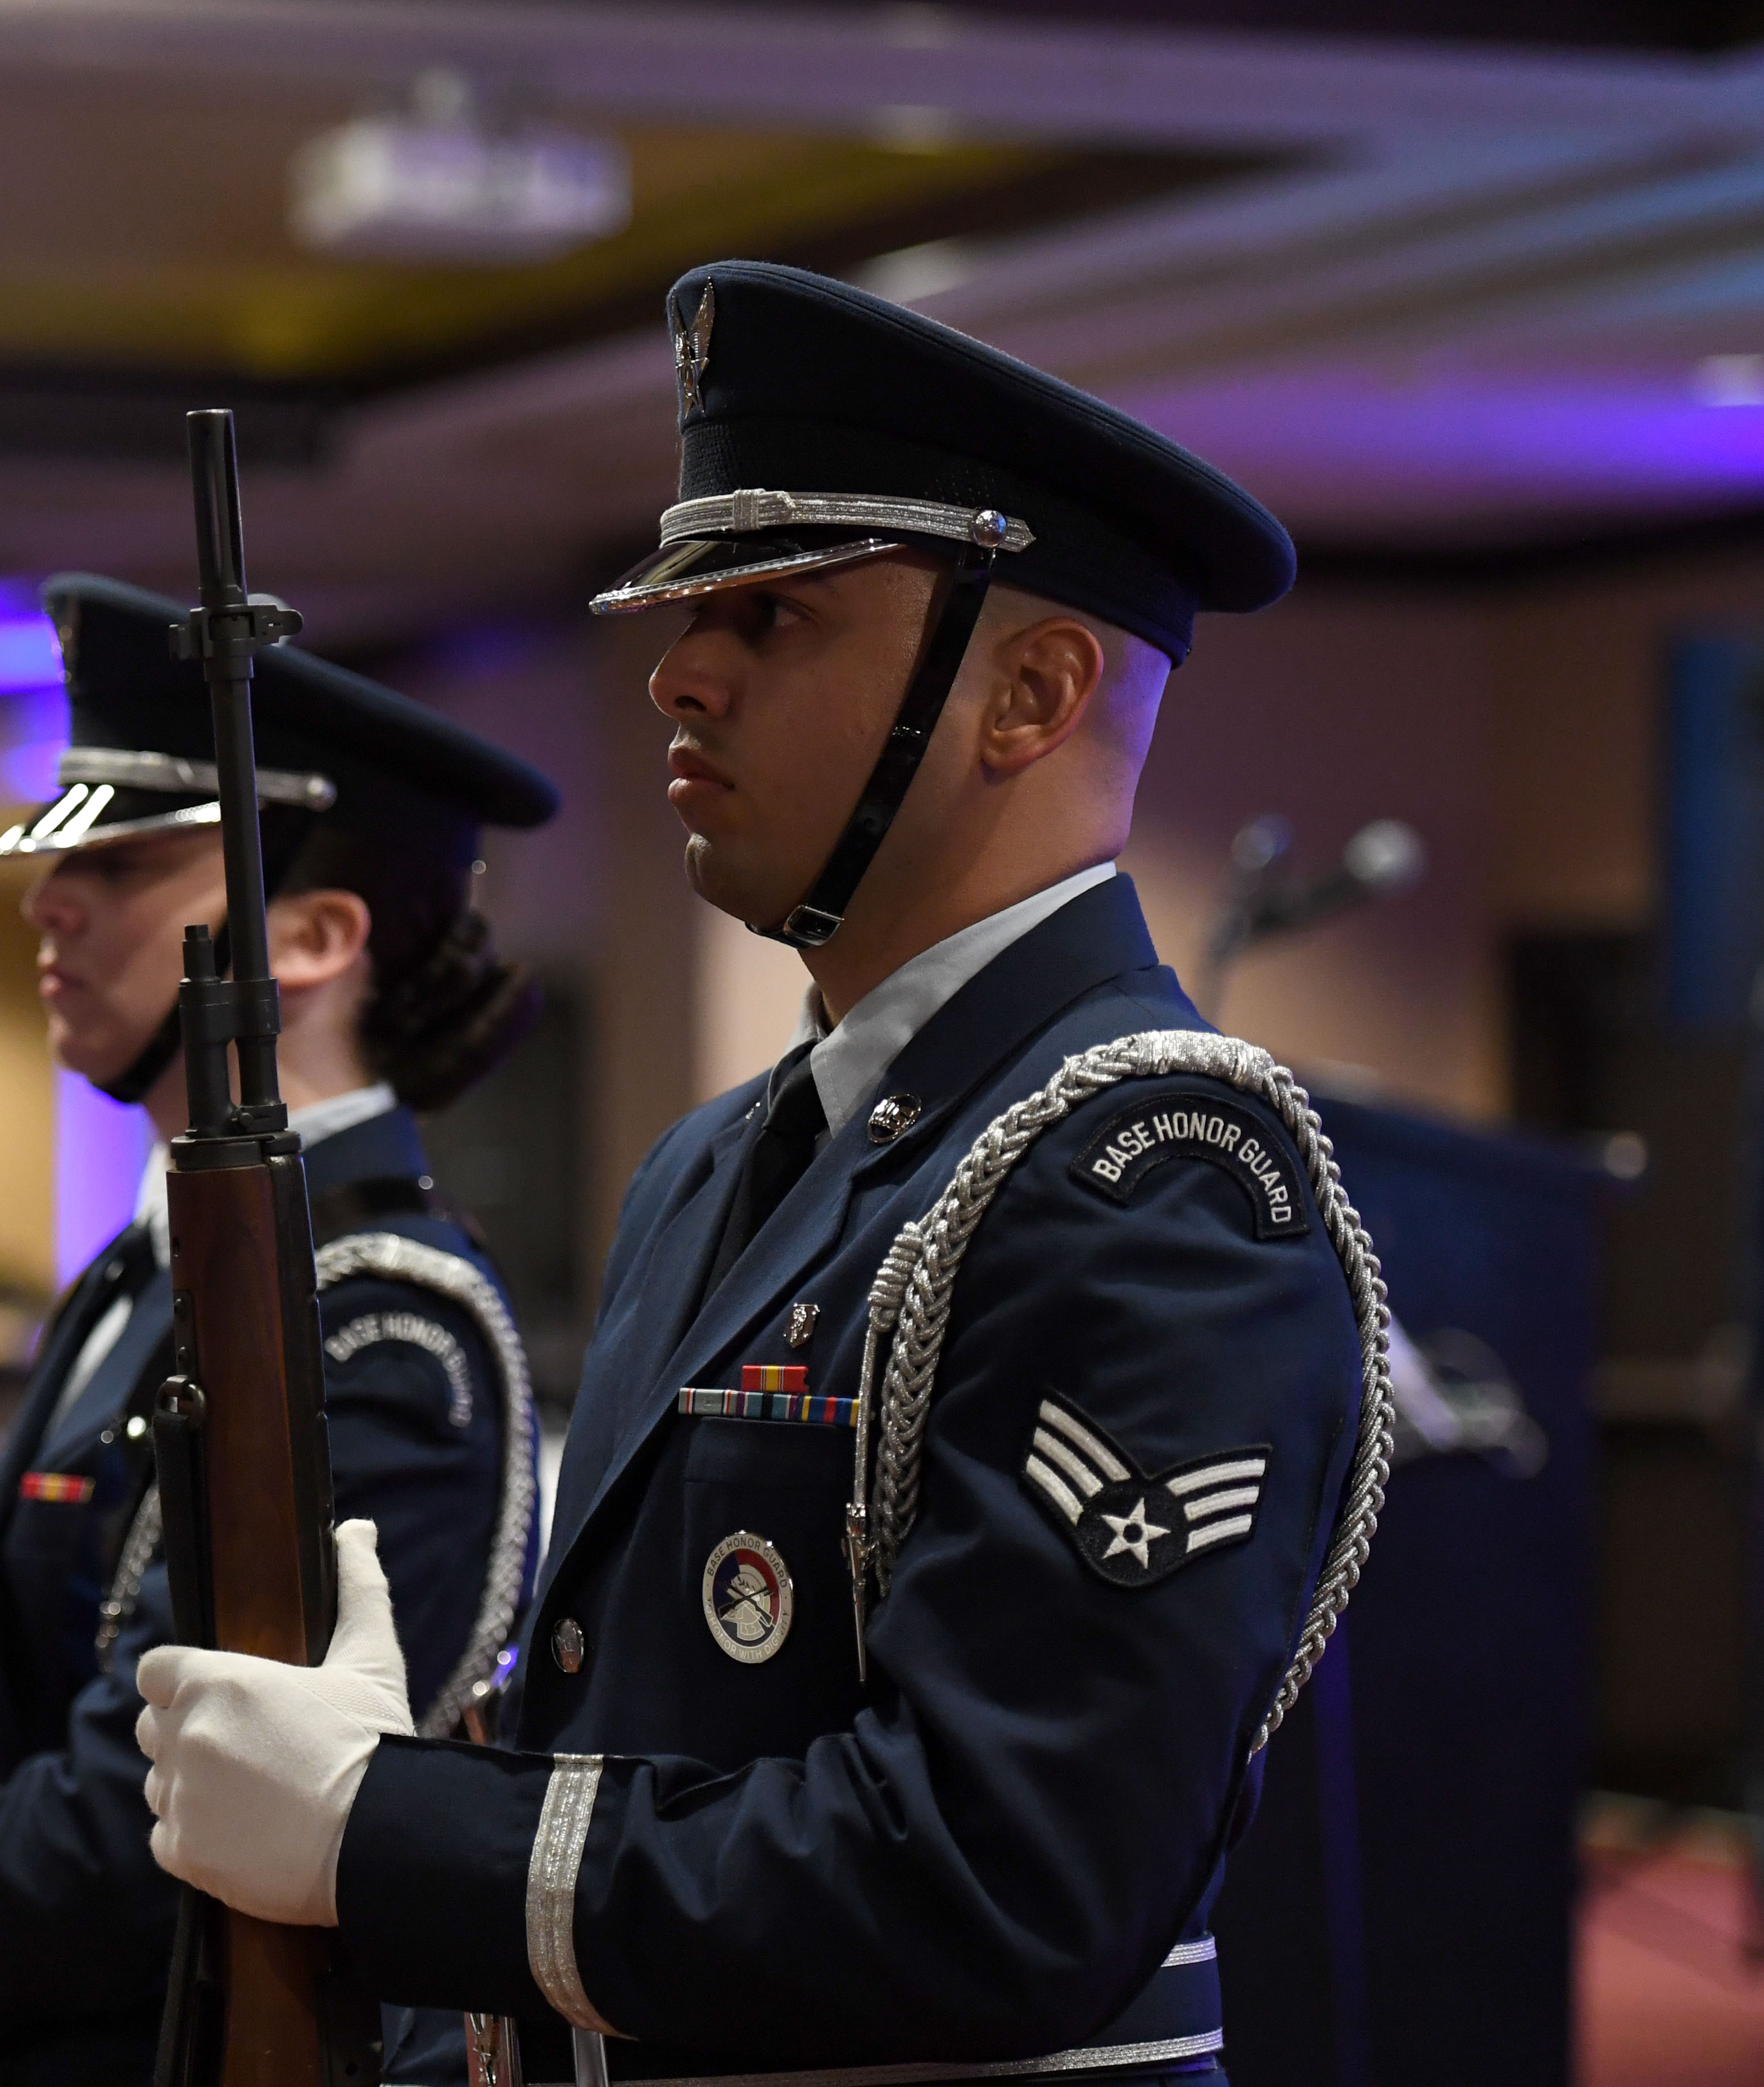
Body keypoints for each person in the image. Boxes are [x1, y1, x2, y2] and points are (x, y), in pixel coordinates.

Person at [130, 263, 1391, 2085]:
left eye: (774, 615)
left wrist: (382, 1833)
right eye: (684, 608)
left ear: (1028, 691)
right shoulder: (727, 1155)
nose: (676, 670)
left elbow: (1001, 1882)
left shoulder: (1146, 1168)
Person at [0, 574, 561, 2084]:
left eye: (131, 859)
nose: (53, 900)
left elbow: (177, 1775)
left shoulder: (380, 1316)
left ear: (320, 935)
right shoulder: (151, 1266)